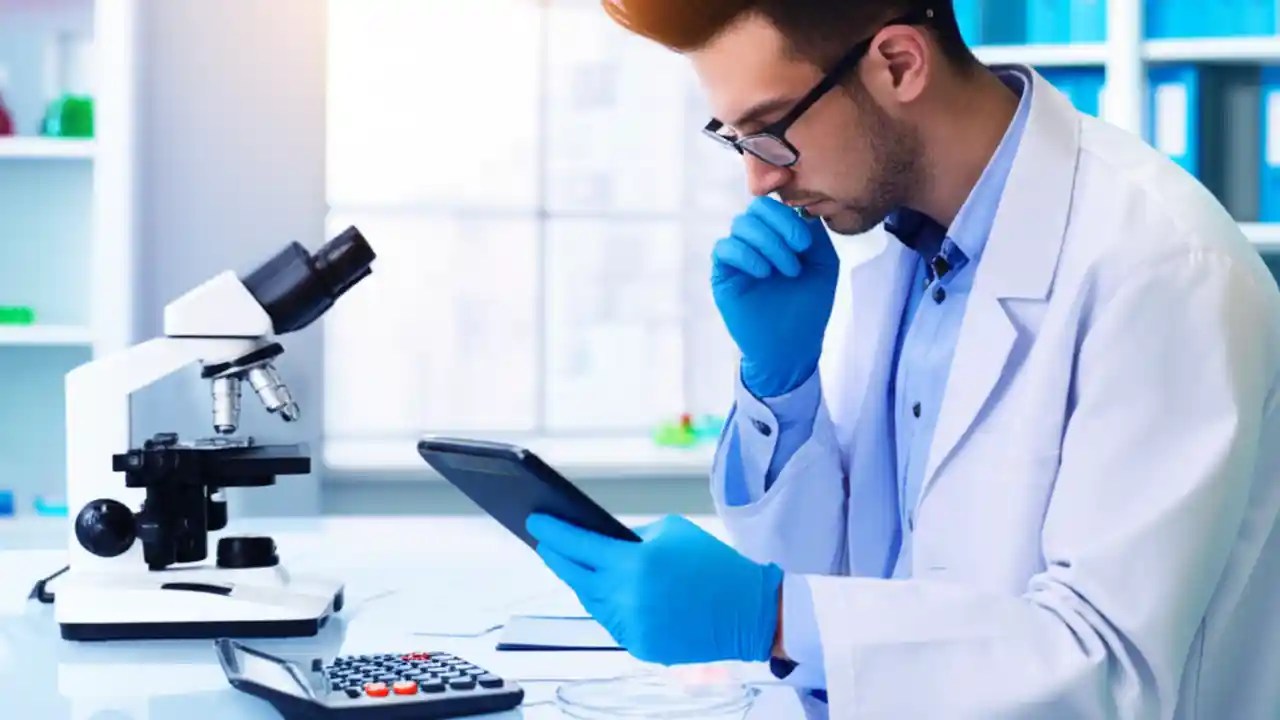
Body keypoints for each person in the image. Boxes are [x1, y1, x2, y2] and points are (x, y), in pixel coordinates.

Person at [525, 1, 1280, 717]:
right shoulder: (899, 251)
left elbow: (1106, 671)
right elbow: (851, 585)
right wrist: (781, 386)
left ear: (897, 64)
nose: (759, 177)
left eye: (771, 129)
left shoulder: (1162, 266)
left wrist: (770, 616)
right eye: (737, 139)